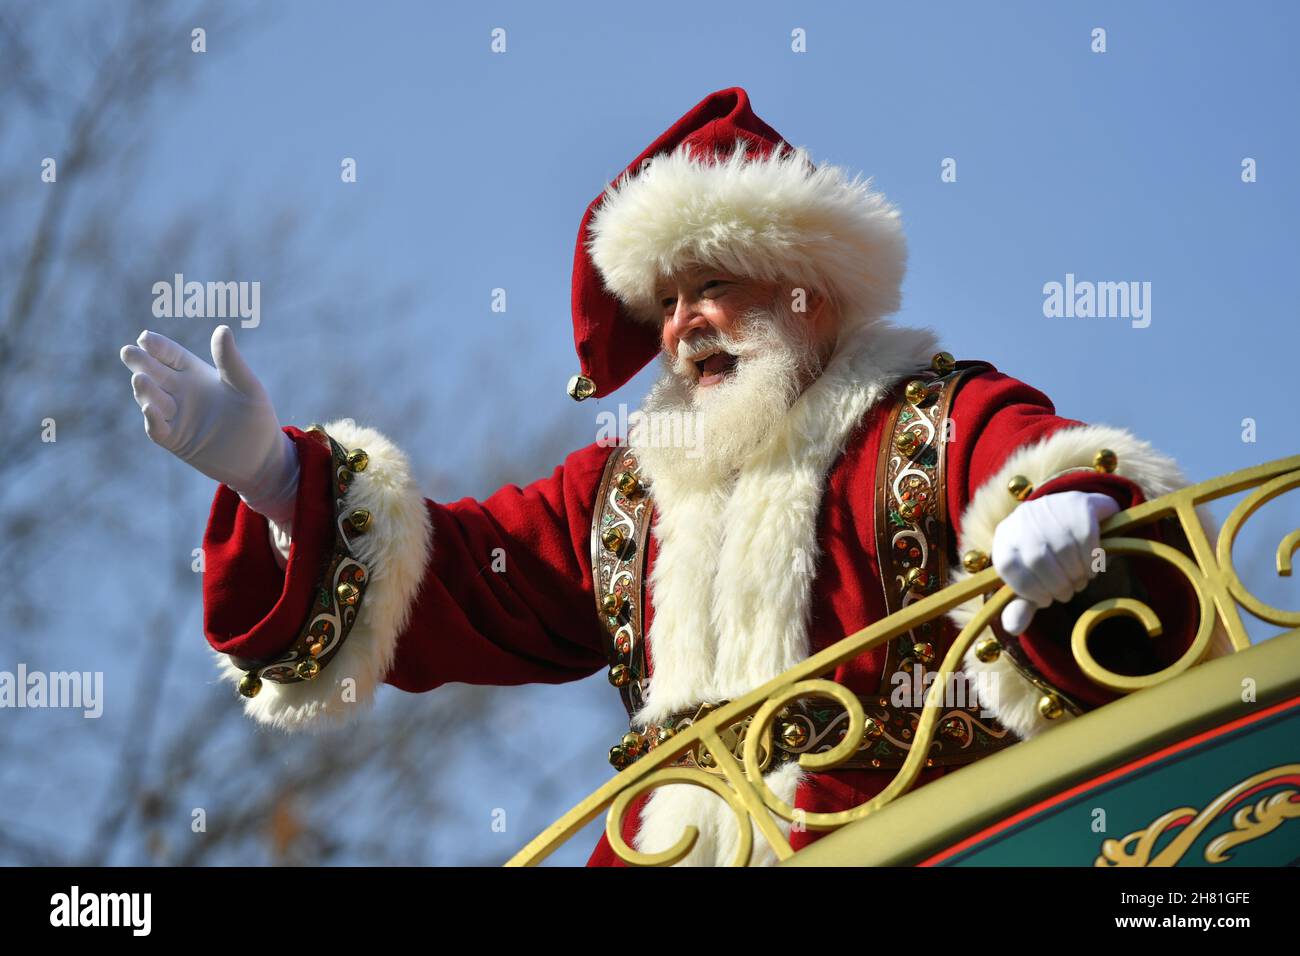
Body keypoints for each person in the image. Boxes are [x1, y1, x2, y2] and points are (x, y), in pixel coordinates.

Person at [119, 87, 1210, 866]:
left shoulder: (928, 423)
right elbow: (460, 579)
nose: (683, 325)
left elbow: (1049, 468)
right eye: (667, 301)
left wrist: (1074, 517)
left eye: (714, 284)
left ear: (807, 291)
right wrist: (273, 476)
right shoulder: (626, 497)